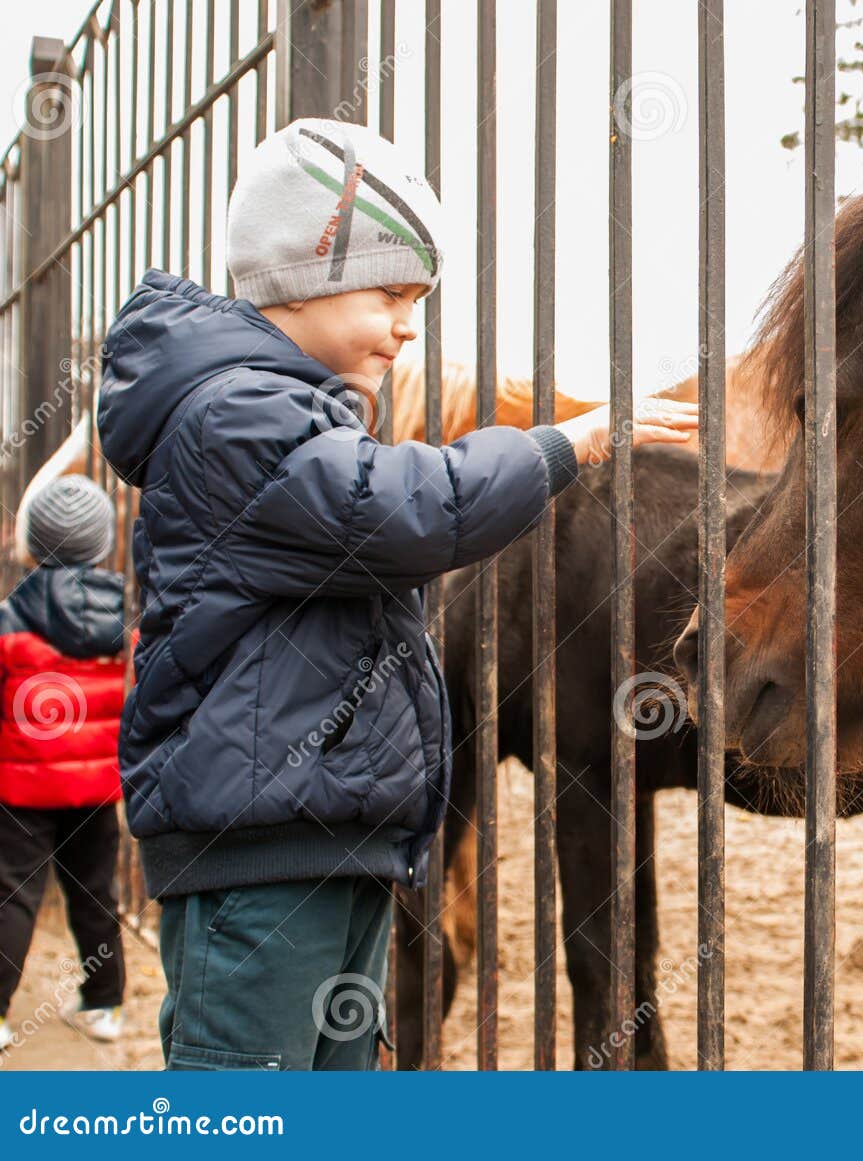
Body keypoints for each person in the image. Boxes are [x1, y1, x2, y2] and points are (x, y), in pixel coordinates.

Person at [95, 117, 696, 1070]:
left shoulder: (297, 412)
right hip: (257, 853)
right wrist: (561, 444)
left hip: (327, 833)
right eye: (391, 293)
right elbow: (405, 513)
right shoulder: (238, 415)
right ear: (303, 277)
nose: (409, 323)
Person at [0, 477, 128, 1052]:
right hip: (97, 787)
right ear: (102, 544)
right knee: (97, 892)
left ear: (32, 543)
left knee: (14, 895)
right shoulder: (119, 619)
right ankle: (105, 1005)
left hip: (23, 788)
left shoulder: (10, 619)